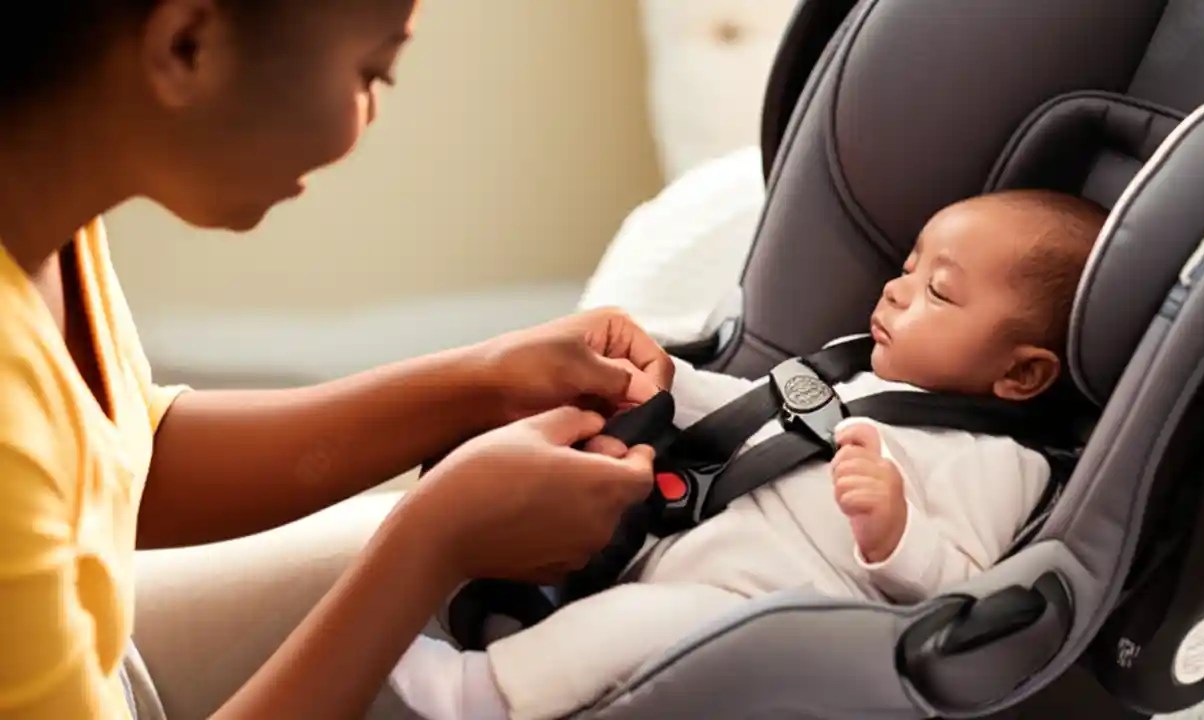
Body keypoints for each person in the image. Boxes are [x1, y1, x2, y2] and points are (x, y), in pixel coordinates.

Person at [0, 1, 676, 718]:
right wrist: (431, 544)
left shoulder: (42, 197)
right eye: (370, 74)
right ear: (188, 45)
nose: (368, 118)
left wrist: (481, 384)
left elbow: (125, 461)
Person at [387, 189, 1109, 720]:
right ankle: (483, 603)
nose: (895, 290)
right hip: (682, 530)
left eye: (938, 292)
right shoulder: (853, 368)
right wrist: (668, 380)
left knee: (630, 624)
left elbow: (964, 590)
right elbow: (752, 408)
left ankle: (479, 694)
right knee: (548, 498)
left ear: (1022, 374)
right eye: (909, 267)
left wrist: (894, 530)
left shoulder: (1001, 463)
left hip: (748, 606)